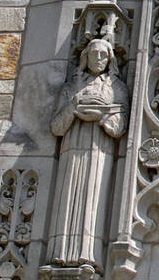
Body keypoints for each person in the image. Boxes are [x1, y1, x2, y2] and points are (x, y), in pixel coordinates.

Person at [47, 36, 129, 267]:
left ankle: (88, 255)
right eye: (95, 54)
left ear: (111, 59)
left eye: (104, 55)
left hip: (100, 150)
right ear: (85, 57)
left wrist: (103, 115)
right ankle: (60, 254)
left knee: (94, 199)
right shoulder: (72, 86)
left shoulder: (116, 87)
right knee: (68, 195)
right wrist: (73, 108)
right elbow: (55, 126)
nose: (99, 59)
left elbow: (120, 124)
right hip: (72, 149)